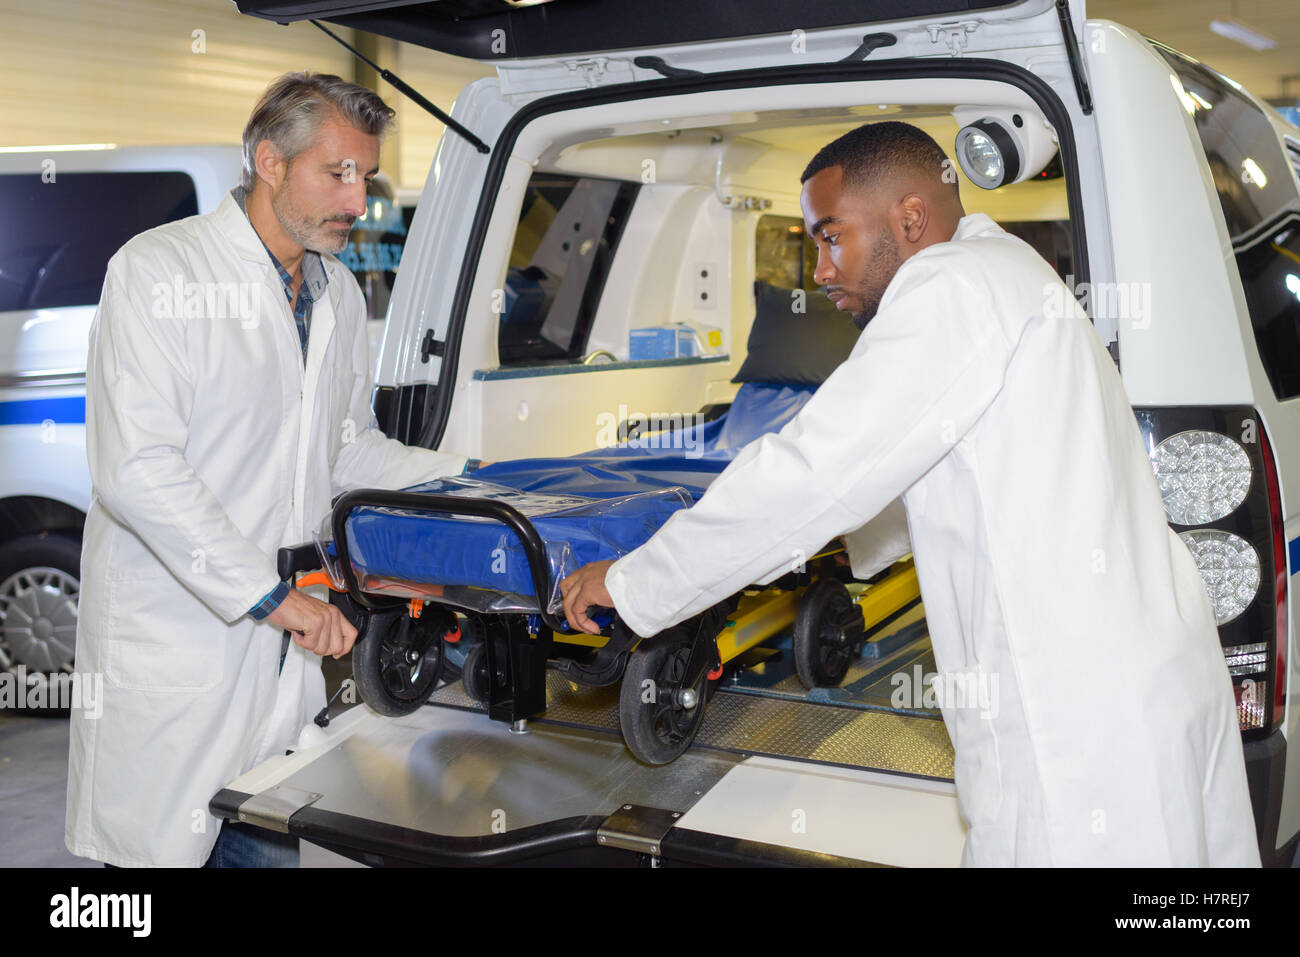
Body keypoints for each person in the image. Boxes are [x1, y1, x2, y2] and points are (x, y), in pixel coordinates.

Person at [559, 121, 1260, 866]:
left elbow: (810, 471)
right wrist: (834, 541)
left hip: (1074, 734)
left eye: (831, 238)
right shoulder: (1010, 270)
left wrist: (634, 582)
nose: (820, 271)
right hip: (1153, 688)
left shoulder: (947, 289)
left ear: (911, 219)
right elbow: (927, 465)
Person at [67, 72, 476, 867]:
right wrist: (273, 597)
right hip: (182, 646)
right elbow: (138, 469)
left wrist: (471, 475)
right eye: (339, 174)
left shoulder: (340, 295)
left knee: (266, 849)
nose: (359, 202)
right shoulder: (160, 272)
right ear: (270, 161)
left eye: (366, 177)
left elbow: (346, 449)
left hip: (280, 673)